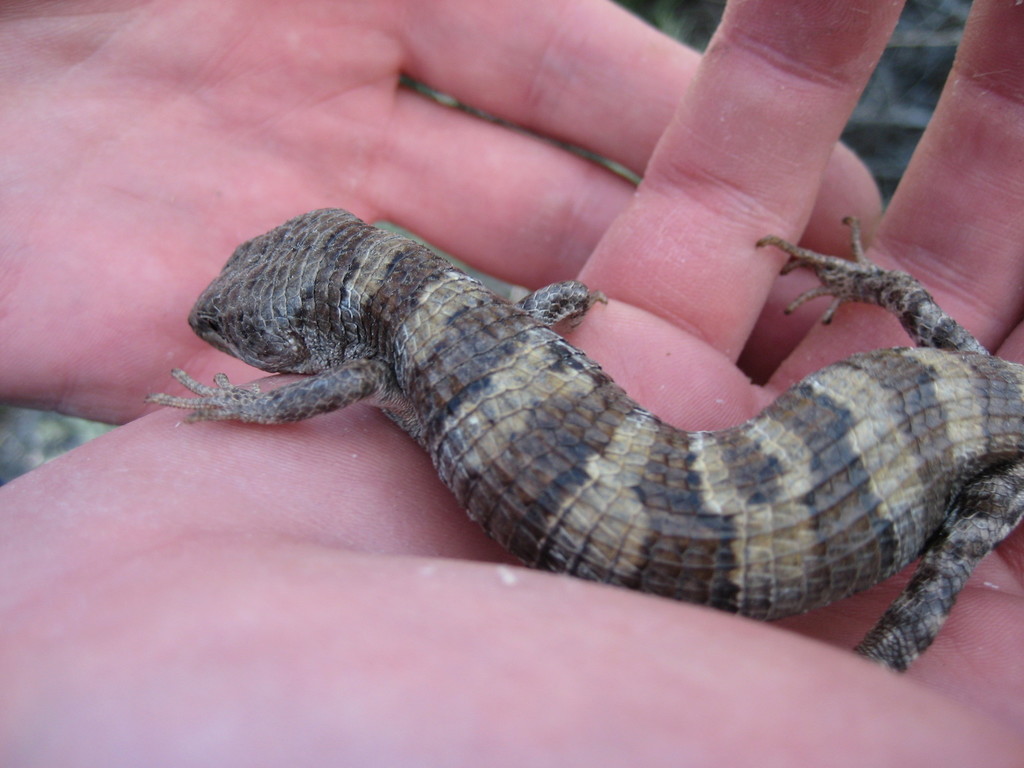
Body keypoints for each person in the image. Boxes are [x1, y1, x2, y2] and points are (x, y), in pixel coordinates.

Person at [1, 0, 1022, 763]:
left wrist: (237, 404)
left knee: (935, 590)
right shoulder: (486, 317)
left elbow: (360, 379)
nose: (213, 331)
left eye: (240, 334)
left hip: (931, 450)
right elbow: (557, 311)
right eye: (233, 338)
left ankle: (878, 676)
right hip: (910, 390)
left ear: (318, 337)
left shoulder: (379, 359)